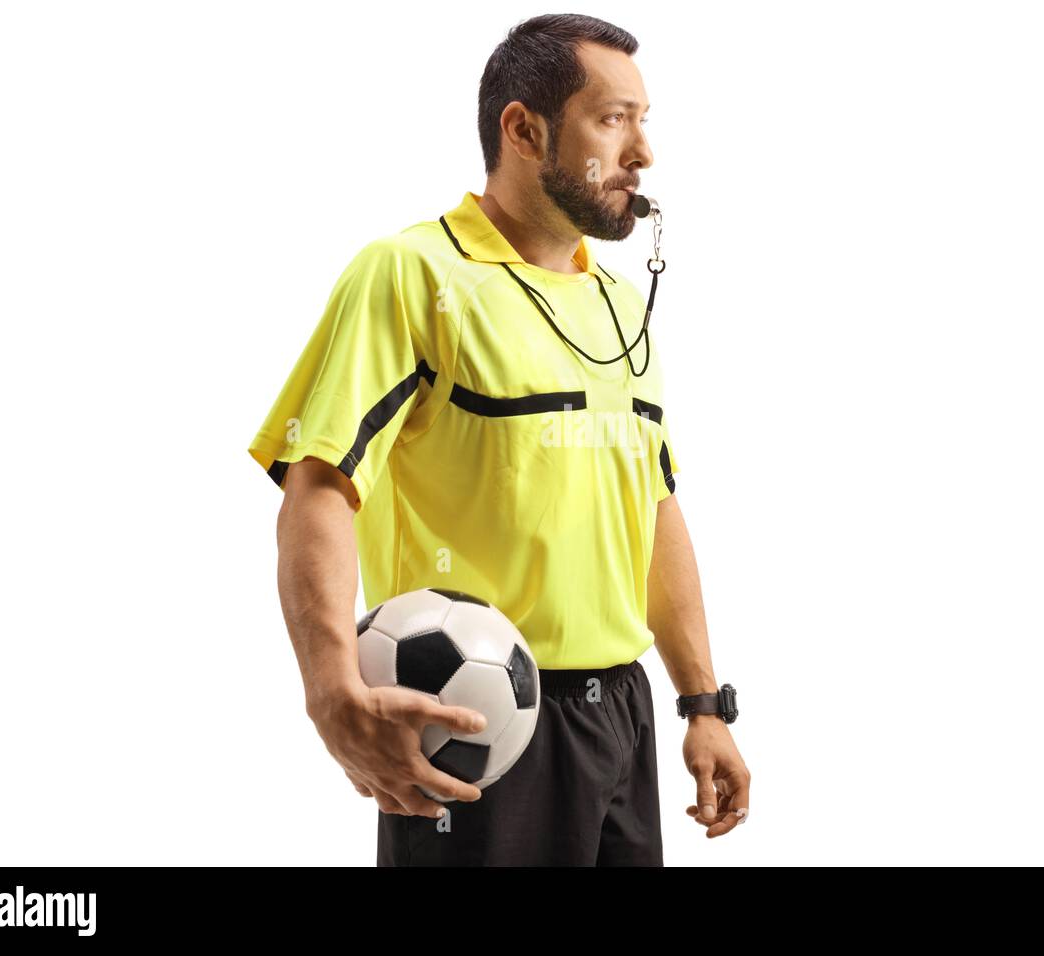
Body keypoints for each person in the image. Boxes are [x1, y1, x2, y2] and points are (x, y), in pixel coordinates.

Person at [246, 12, 749, 866]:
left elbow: (652, 505)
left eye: (644, 120)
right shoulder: (410, 274)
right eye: (613, 118)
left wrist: (702, 702)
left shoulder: (620, 308)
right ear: (524, 128)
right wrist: (330, 689)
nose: (643, 153)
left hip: (618, 717)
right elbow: (319, 483)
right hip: (475, 716)